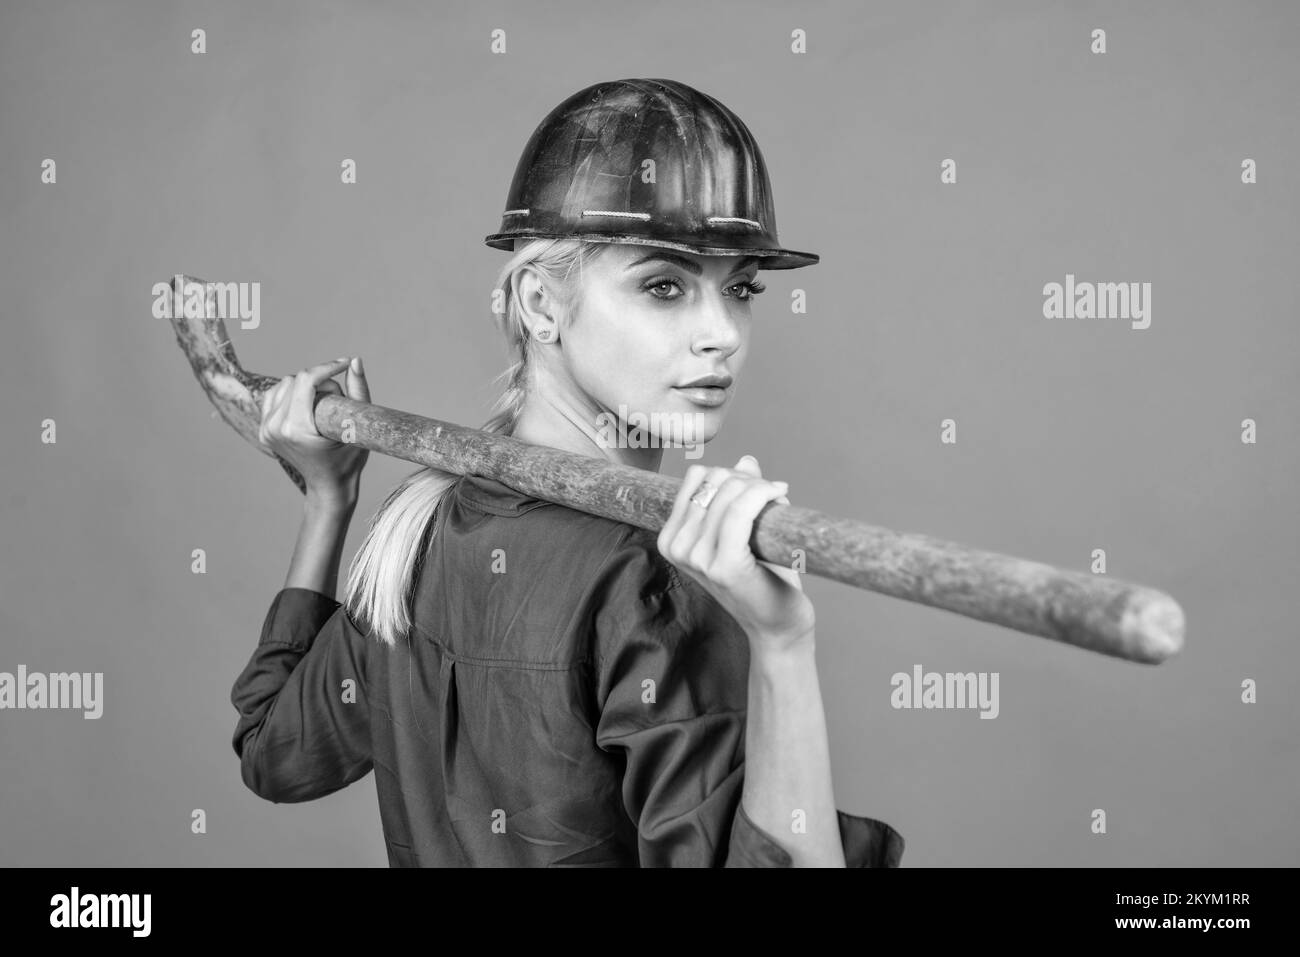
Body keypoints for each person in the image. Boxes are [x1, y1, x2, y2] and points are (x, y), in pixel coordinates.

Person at [230, 78, 904, 867]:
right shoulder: (653, 585)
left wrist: (328, 500)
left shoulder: (416, 532)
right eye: (664, 285)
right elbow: (279, 756)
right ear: (541, 304)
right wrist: (783, 643)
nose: (722, 332)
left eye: (740, 287)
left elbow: (272, 752)